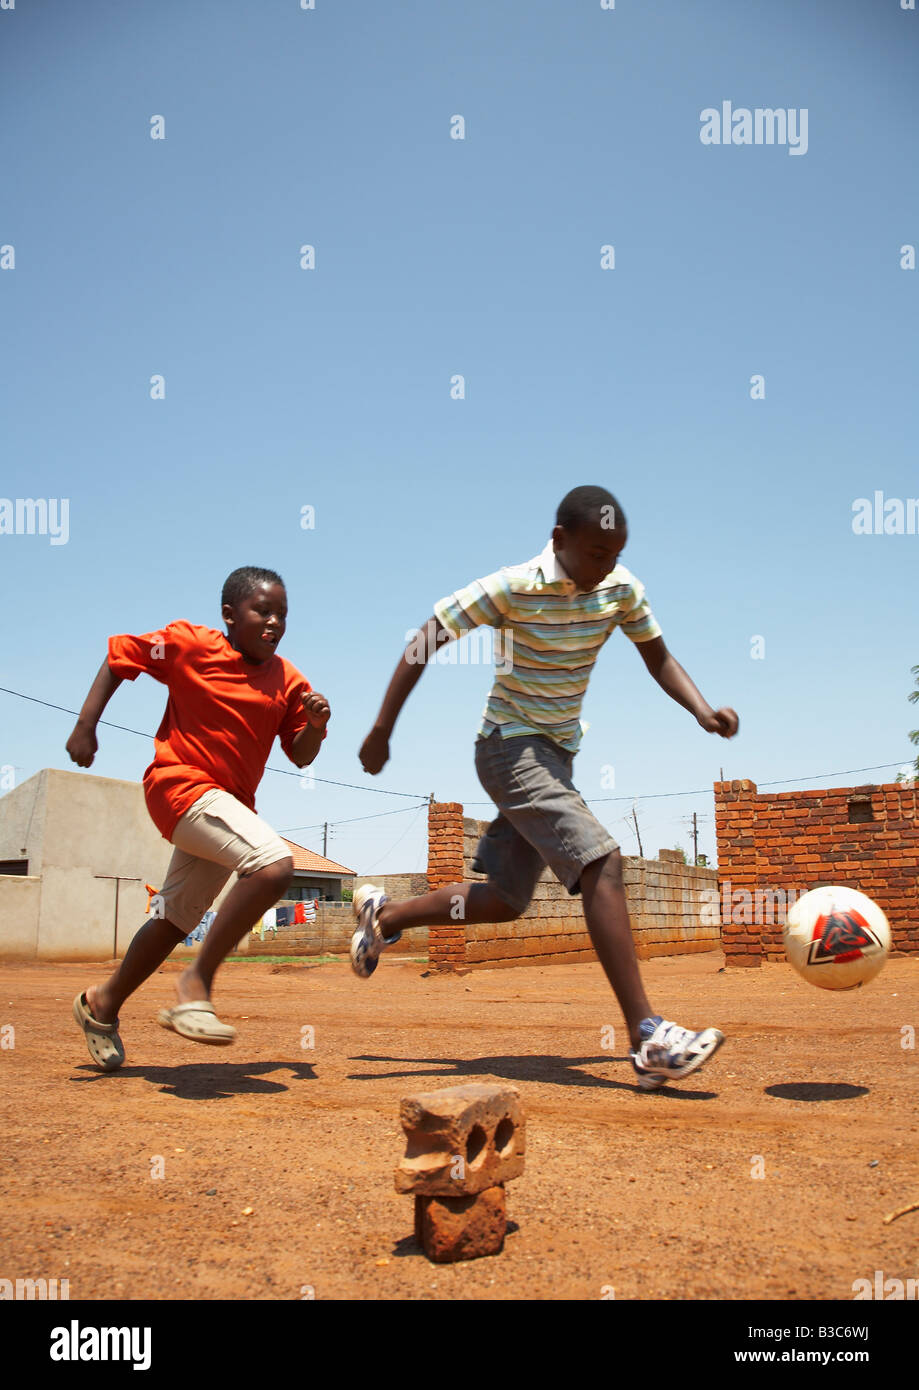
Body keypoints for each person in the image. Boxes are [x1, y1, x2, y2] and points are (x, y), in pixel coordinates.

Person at [354, 486, 738, 1090]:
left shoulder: (620, 590)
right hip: (508, 747)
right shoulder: (512, 586)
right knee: (602, 861)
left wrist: (702, 710)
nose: (604, 566)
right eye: (594, 552)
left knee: (508, 899)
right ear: (559, 540)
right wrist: (381, 730)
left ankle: (385, 917)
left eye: (614, 553)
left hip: (555, 757)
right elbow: (425, 637)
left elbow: (658, 657)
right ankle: (648, 1039)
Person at [66, 566, 329, 1069]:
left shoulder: (288, 679)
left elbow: (301, 754)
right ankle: (196, 984)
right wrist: (86, 727)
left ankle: (101, 1005)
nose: (274, 622)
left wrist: (314, 725)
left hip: (226, 808)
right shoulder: (191, 645)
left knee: (174, 920)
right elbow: (121, 655)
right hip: (178, 787)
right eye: (262, 611)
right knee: (274, 865)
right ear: (229, 616)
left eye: (282, 614)